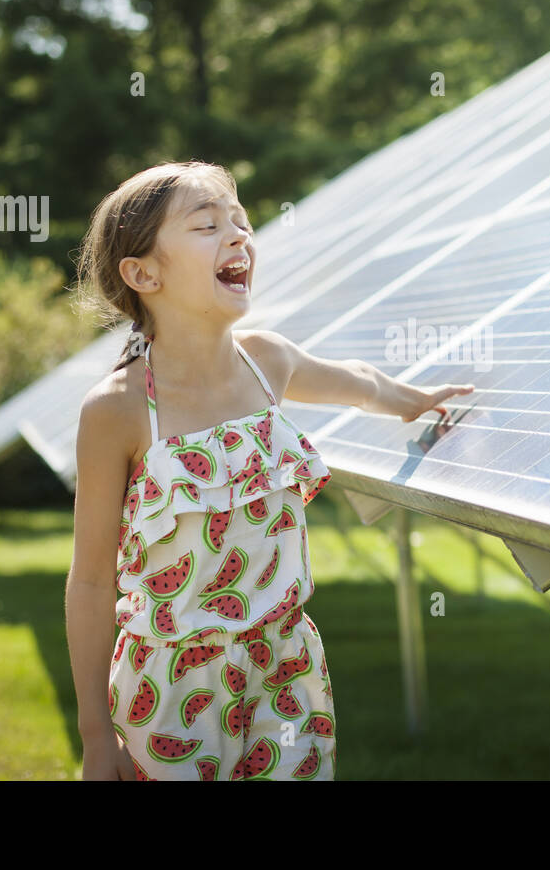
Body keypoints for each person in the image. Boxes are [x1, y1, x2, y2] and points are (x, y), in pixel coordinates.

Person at [66, 160, 475, 780]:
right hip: (168, 694)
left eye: (241, 221)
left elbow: (357, 382)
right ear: (142, 273)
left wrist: (410, 400)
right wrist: (97, 735)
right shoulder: (117, 411)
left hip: (285, 674)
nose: (238, 236)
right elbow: (93, 582)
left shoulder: (267, 361)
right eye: (208, 226)